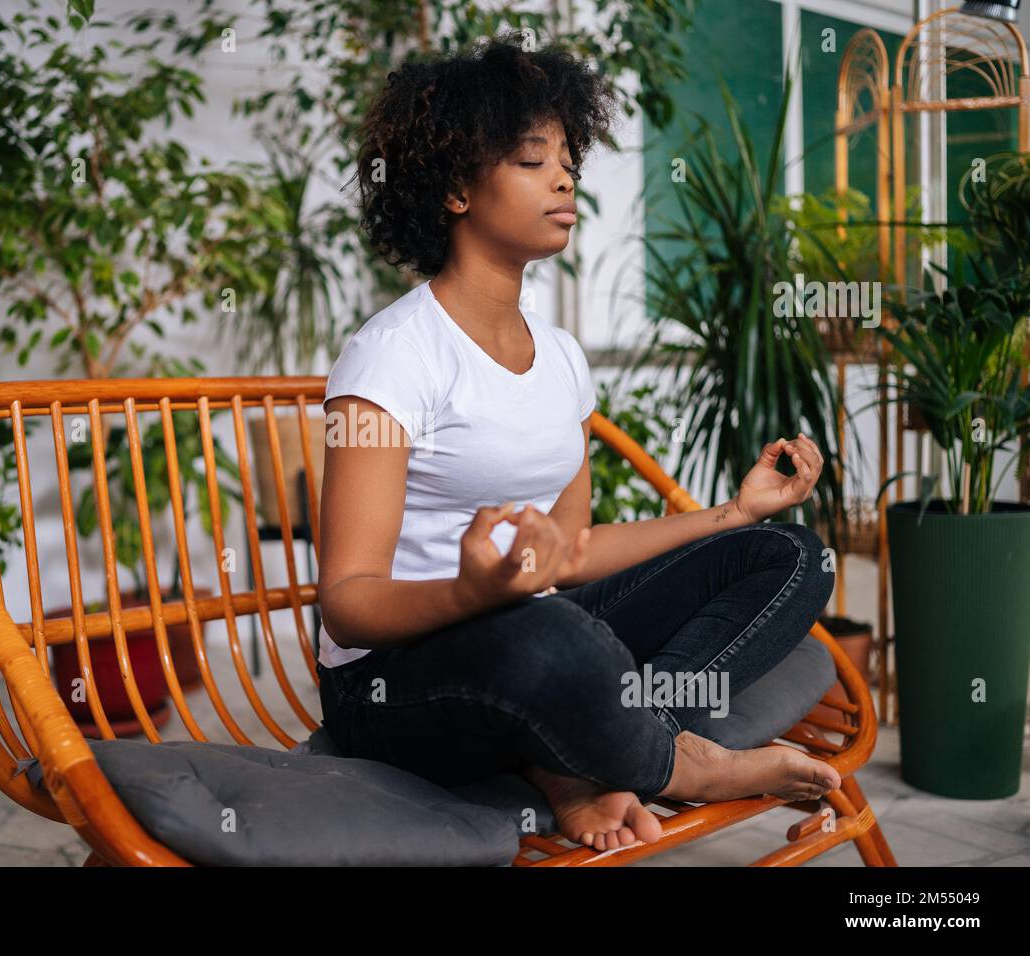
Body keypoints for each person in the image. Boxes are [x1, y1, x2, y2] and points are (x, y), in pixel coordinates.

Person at [315, 33, 840, 853]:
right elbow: (347, 600)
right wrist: (471, 591)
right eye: (533, 160)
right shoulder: (393, 355)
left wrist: (732, 513)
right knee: (541, 631)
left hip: (537, 642)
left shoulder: (558, 355)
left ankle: (592, 754)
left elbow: (574, 549)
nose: (565, 179)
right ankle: (676, 760)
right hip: (392, 683)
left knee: (789, 556)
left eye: (568, 157)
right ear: (456, 187)